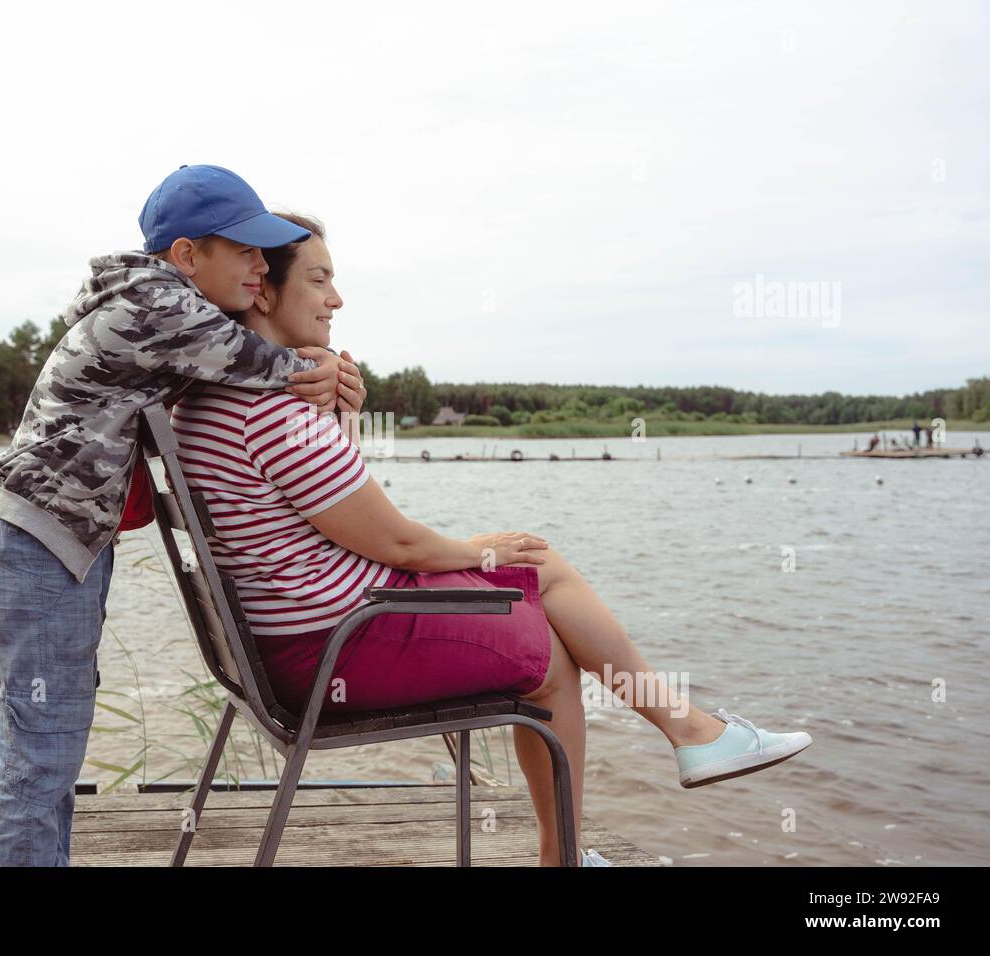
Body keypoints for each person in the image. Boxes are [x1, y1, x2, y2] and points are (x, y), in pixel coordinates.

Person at [170, 213, 813, 868]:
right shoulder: (271, 411)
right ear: (265, 291)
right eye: (320, 279)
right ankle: (596, 823)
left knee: (537, 563)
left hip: (306, 632)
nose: (336, 299)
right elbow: (398, 545)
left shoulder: (210, 398)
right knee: (551, 659)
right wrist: (477, 551)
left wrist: (342, 416)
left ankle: (683, 737)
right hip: (335, 644)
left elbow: (335, 517)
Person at [0, 166, 355, 866]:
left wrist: (323, 369)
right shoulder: (160, 308)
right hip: (38, 547)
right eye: (244, 251)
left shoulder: (154, 305)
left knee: (47, 741)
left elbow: (258, 366)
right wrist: (321, 366)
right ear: (186, 255)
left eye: (265, 255)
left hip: (44, 545)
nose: (260, 267)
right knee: (40, 750)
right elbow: (268, 363)